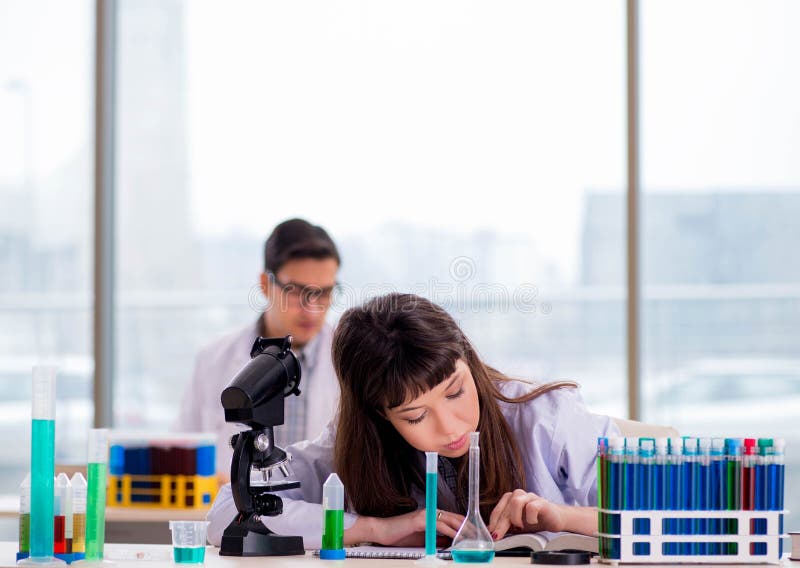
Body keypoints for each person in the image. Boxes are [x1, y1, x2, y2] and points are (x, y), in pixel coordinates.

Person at [207, 292, 620, 548]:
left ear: (468, 361)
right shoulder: (351, 449)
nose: (450, 426)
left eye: (456, 391)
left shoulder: (546, 417)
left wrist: (563, 518)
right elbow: (231, 511)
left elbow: (664, 513)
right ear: (380, 416)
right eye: (415, 415)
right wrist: (371, 528)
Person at [177, 218, 342, 480]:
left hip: (319, 517)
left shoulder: (350, 363)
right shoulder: (213, 360)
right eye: (296, 291)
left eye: (323, 293)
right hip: (235, 514)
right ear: (265, 285)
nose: (311, 308)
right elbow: (185, 458)